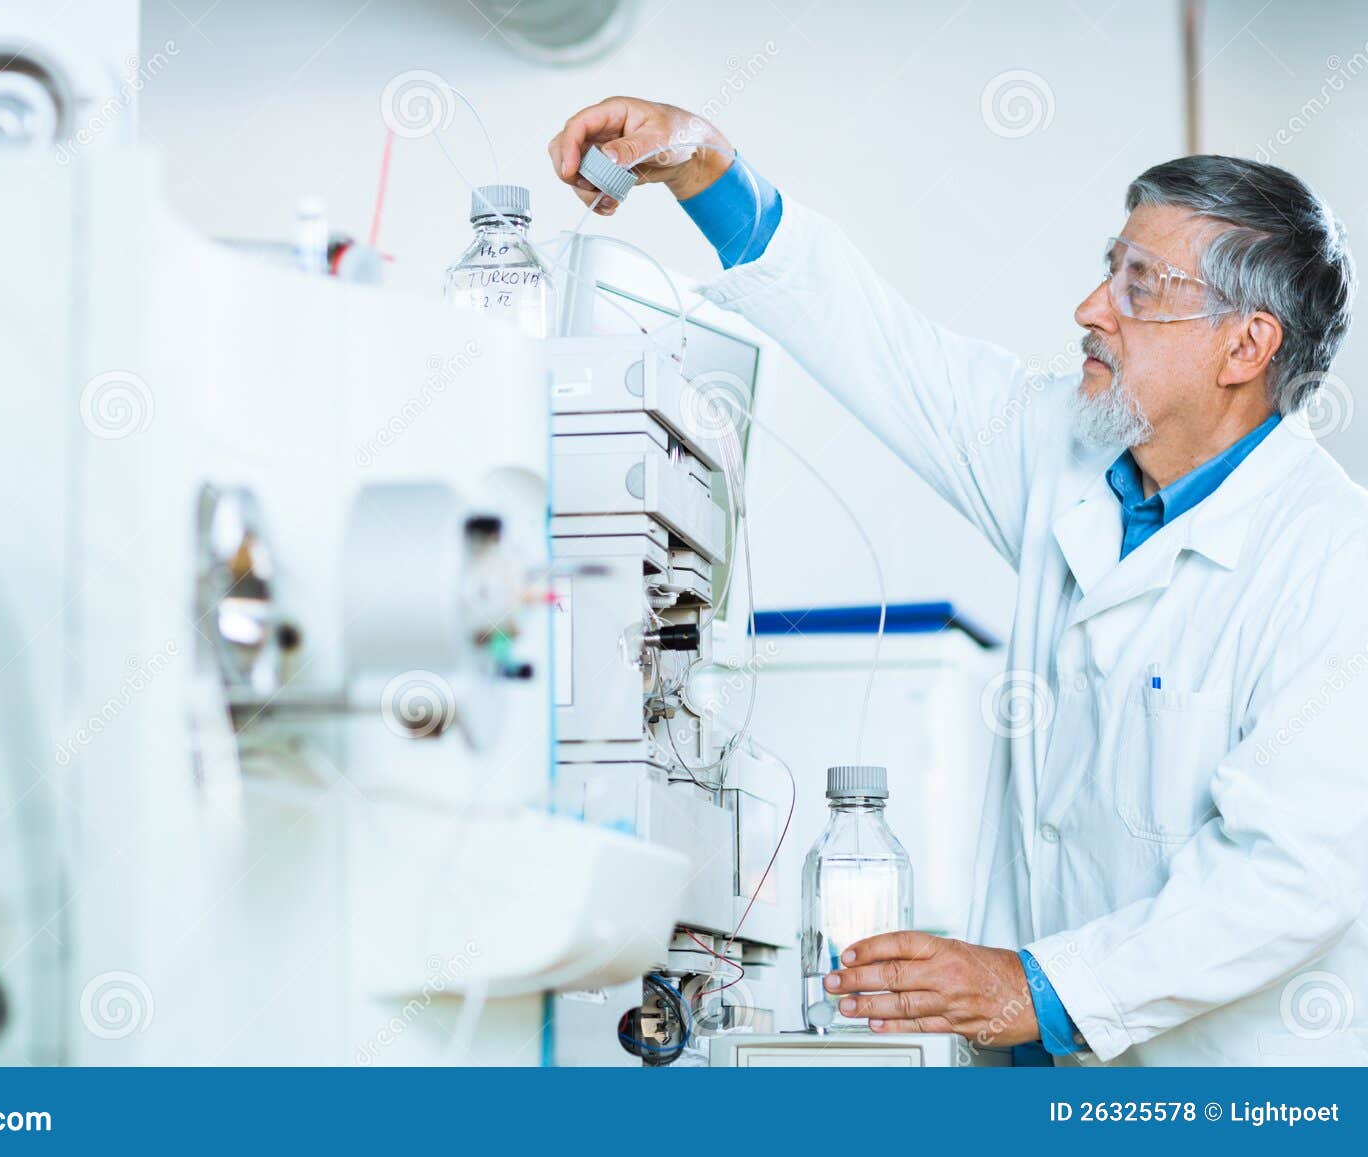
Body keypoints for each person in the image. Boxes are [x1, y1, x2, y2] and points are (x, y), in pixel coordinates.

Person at [549, 97, 1368, 1065]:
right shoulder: (1068, 449)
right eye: (1108, 267)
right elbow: (889, 352)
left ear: (1246, 346)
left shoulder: (1330, 558)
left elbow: (1292, 872)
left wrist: (1033, 985)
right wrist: (704, 169)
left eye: (1140, 287)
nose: (1089, 308)